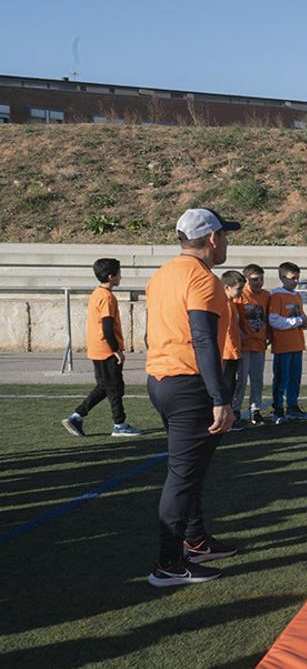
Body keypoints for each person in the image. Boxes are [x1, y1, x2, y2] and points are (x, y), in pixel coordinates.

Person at [145, 208, 240, 587]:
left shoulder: (163, 275)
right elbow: (202, 338)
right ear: (213, 238)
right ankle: (168, 563)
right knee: (183, 477)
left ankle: (195, 541)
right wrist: (220, 396)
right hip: (189, 384)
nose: (228, 242)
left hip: (163, 380)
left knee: (191, 471)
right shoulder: (203, 279)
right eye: (226, 235)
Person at [62, 258, 144, 437]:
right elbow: (107, 327)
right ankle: (119, 424)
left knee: (105, 386)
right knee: (114, 388)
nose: (121, 277)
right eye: (119, 273)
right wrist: (117, 350)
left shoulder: (97, 293)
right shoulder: (107, 297)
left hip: (97, 349)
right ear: (111, 276)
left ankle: (77, 416)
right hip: (106, 350)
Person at [269, 261, 307, 424]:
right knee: (282, 378)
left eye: (297, 278)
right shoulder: (276, 295)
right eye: (292, 278)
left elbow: (299, 315)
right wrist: (297, 321)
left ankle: (293, 407)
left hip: (297, 343)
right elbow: (274, 320)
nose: (295, 281)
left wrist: (304, 322)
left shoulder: (296, 295)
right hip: (283, 345)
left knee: (295, 378)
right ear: (282, 277)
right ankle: (278, 409)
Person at [233, 264, 269, 426]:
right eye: (255, 279)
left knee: (257, 379)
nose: (259, 282)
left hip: (259, 343)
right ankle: (235, 409)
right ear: (246, 279)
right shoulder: (239, 296)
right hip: (244, 345)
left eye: (261, 279)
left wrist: (269, 335)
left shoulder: (266, 296)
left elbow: (267, 317)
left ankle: (255, 409)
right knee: (240, 380)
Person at [219, 271, 245, 431]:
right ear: (227, 287)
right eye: (239, 289)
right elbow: (225, 332)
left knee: (230, 386)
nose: (241, 292)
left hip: (233, 352)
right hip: (226, 353)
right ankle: (224, 420)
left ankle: (228, 418)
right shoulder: (223, 305)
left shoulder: (231, 304)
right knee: (225, 387)